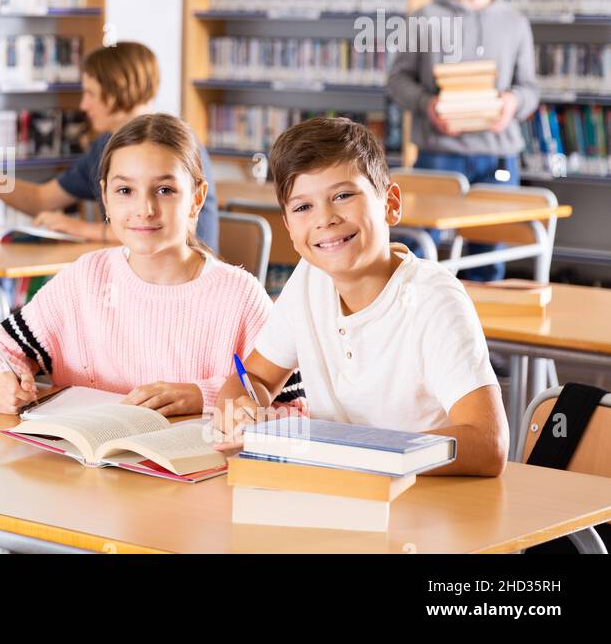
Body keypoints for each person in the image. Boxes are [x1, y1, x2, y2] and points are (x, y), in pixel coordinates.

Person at [210, 117, 508, 477]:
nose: (326, 219)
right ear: (288, 226)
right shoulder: (310, 278)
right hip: (341, 495)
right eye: (304, 207)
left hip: (422, 505)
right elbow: (252, 377)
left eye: (343, 196)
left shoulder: (432, 299)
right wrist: (238, 408)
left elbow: (488, 442)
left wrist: (351, 455)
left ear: (390, 203)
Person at [0, 113, 266, 416]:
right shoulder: (84, 280)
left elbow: (292, 407)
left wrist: (204, 396)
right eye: (125, 191)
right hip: (85, 466)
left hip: (195, 466)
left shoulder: (240, 296)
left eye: (165, 190)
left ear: (197, 199)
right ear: (105, 196)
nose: (144, 209)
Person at [0, 42, 219, 251]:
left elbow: (168, 228)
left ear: (118, 89)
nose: (83, 106)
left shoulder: (177, 147)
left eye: (90, 93)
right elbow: (39, 200)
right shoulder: (104, 147)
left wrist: (81, 228)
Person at [387, 0, 540, 281]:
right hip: (439, 153)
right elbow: (397, 80)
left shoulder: (516, 22)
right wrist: (428, 105)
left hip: (497, 157)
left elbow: (530, 88)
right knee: (415, 248)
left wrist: (512, 102)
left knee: (488, 257)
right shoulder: (424, 18)